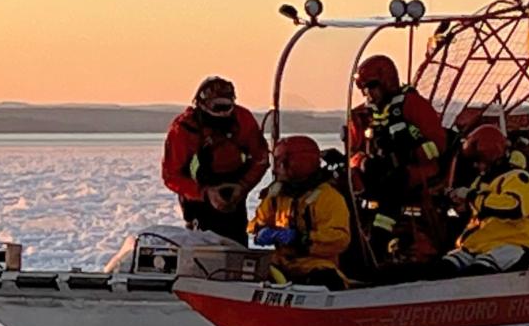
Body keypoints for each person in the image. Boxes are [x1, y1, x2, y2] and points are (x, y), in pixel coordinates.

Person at [346, 55, 446, 258]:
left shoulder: (414, 106)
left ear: (386, 82)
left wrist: (408, 150)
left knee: (392, 185)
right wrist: (363, 163)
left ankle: (377, 242)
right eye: (364, 88)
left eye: (372, 86)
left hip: (415, 170)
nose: (368, 93)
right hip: (377, 170)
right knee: (345, 183)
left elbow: (438, 146)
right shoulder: (361, 116)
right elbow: (352, 151)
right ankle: (349, 241)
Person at [162, 76, 269, 245]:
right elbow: (171, 175)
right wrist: (204, 193)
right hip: (198, 198)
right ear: (202, 104)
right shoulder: (185, 128)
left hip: (235, 191)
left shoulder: (242, 119)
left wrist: (243, 186)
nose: (223, 112)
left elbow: (260, 157)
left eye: (227, 106)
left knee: (236, 247)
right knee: (204, 250)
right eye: (217, 106)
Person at [433, 124, 529, 276]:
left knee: (479, 272)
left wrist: (472, 197)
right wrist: (455, 202)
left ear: (491, 156)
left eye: (479, 161)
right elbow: (473, 209)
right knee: (442, 269)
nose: (476, 166)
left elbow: (513, 207)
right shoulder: (480, 182)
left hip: (513, 244)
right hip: (477, 246)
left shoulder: (518, 178)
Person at [249, 136, 351, 289]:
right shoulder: (276, 195)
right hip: (280, 263)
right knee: (250, 272)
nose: (276, 168)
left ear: (297, 163)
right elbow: (257, 222)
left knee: (326, 281)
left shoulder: (328, 197)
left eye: (280, 162)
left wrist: (301, 239)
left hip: (315, 265)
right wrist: (260, 230)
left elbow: (339, 239)